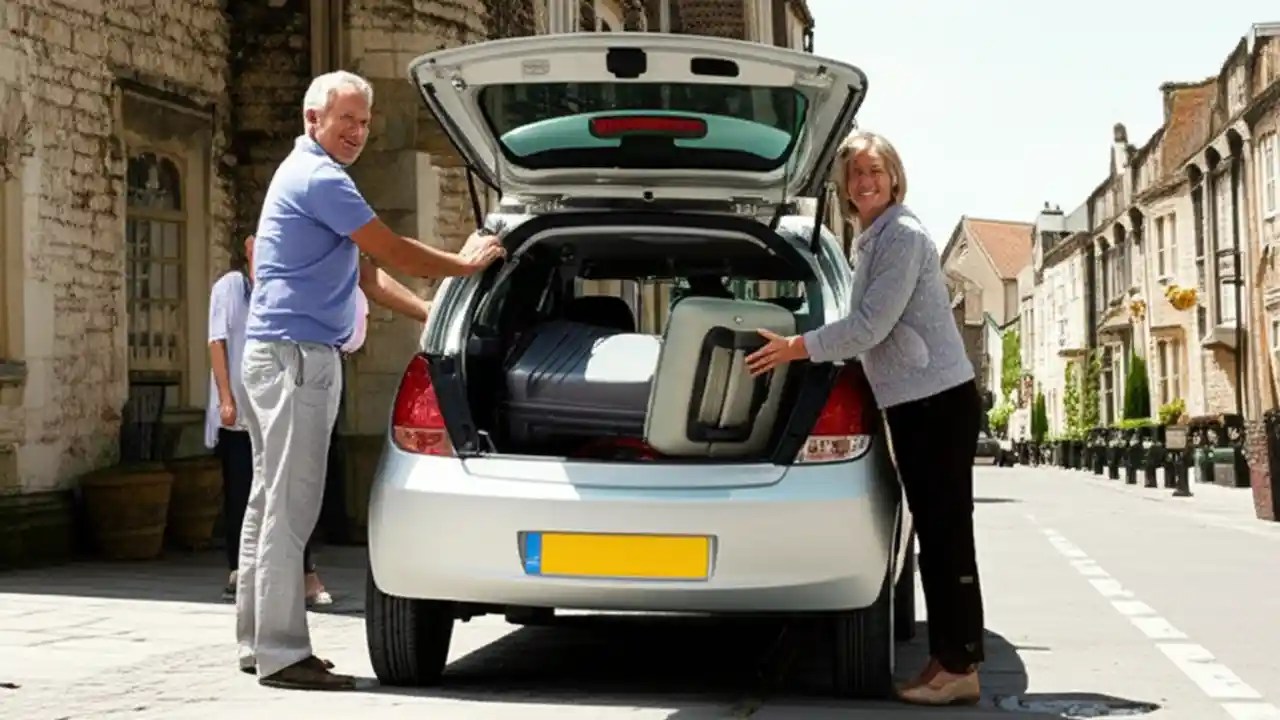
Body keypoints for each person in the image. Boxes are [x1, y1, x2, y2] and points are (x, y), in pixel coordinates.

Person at [235, 69, 504, 691]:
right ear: (313, 120)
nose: (357, 132)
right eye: (346, 120)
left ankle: (258, 644)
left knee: (267, 501)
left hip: (277, 354)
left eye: (363, 121)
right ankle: (282, 654)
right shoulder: (321, 178)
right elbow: (392, 249)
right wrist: (464, 267)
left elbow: (365, 275)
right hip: (296, 359)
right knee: (291, 505)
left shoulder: (312, 177)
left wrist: (433, 314)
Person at [744, 131, 985, 706]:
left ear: (895, 177)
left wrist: (795, 348)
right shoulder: (872, 237)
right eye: (855, 174)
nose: (865, 182)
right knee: (935, 531)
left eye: (874, 171)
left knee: (947, 533)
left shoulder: (900, 236)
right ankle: (948, 661)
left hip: (936, 401)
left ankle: (961, 666)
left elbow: (869, 326)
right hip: (915, 399)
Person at [207, 235, 332, 607]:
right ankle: (239, 569)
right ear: (247, 248)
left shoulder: (284, 289)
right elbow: (217, 341)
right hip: (242, 412)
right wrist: (225, 398)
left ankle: (301, 570)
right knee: (242, 490)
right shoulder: (232, 287)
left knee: (289, 488)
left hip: (278, 407)